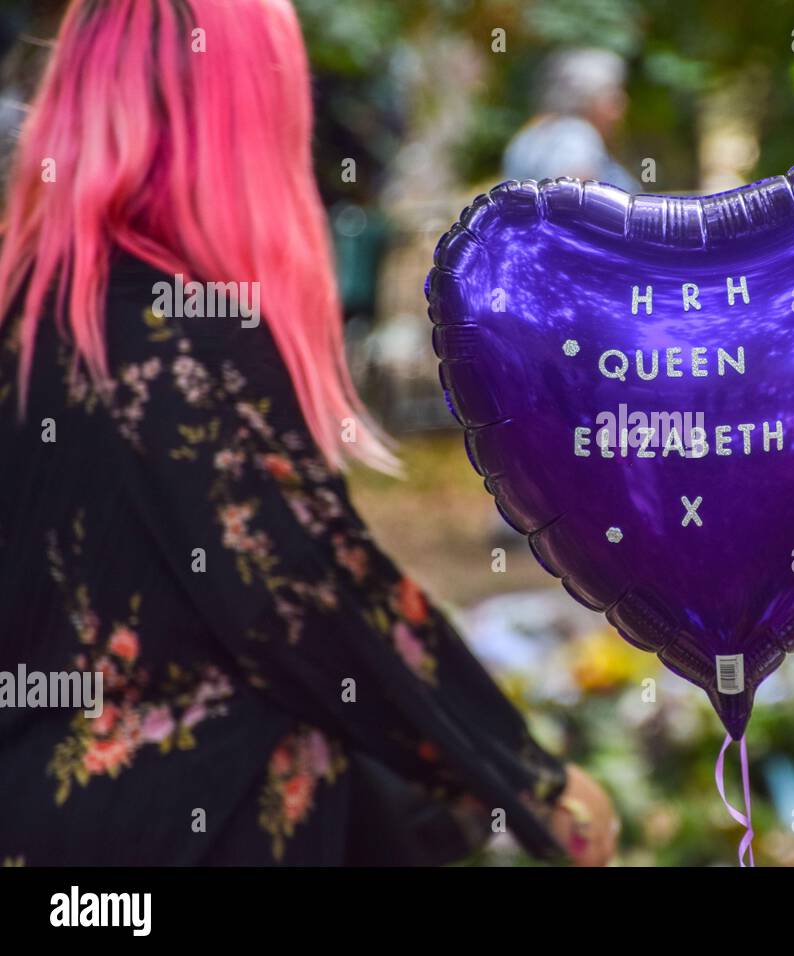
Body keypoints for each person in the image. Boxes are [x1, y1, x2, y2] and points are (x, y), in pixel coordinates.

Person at [0, 0, 614, 866]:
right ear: (249, 115)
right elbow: (312, 599)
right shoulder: (185, 331)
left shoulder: (29, 313)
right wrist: (528, 779)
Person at [503, 47, 638, 191]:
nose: (621, 107)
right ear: (587, 100)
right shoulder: (576, 135)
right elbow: (571, 198)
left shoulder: (530, 134)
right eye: (613, 96)